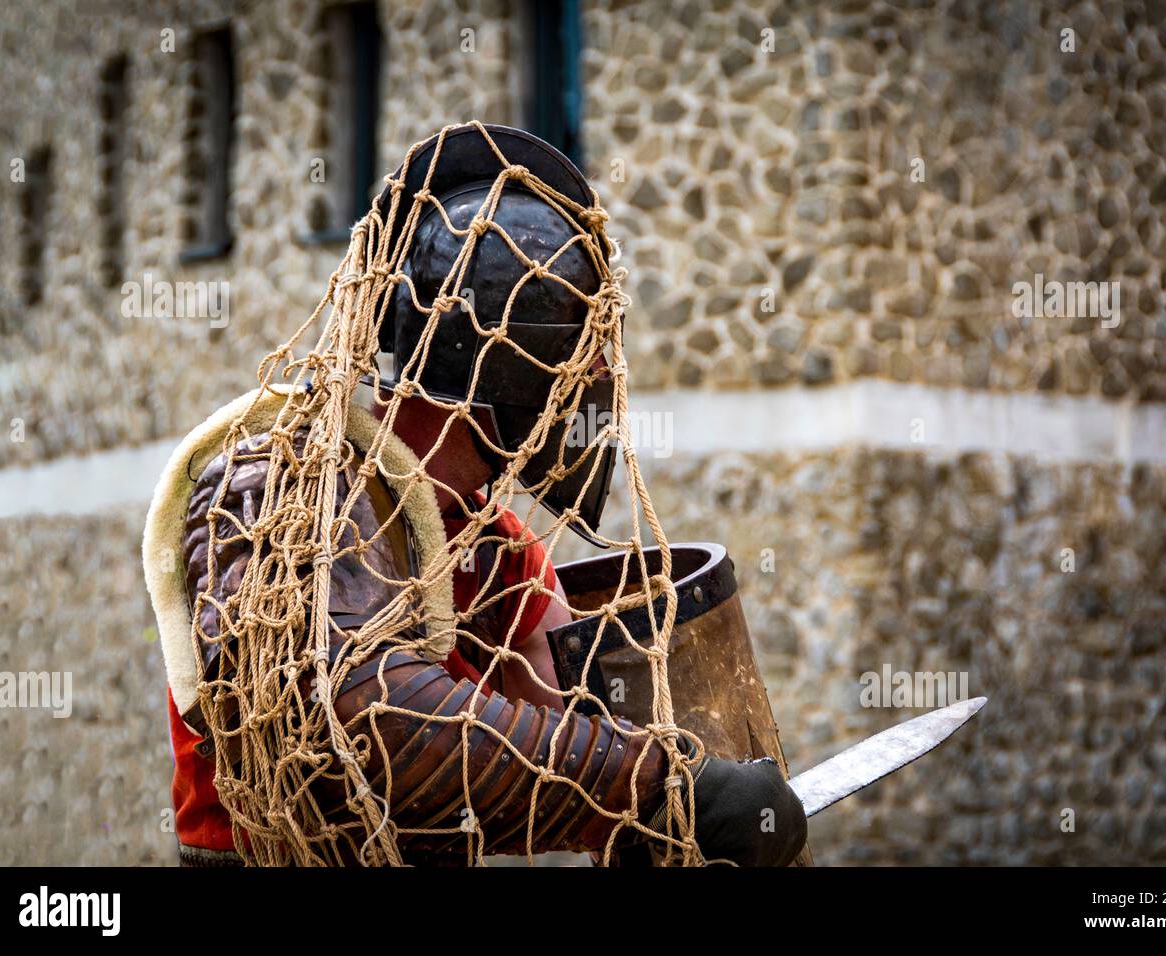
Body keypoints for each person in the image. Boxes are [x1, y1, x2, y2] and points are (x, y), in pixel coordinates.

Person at [157, 123, 807, 866]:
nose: (592, 382)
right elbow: (364, 721)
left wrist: (684, 816)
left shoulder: (496, 550)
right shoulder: (269, 492)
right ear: (510, 367)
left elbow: (566, 743)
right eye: (575, 358)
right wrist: (646, 781)